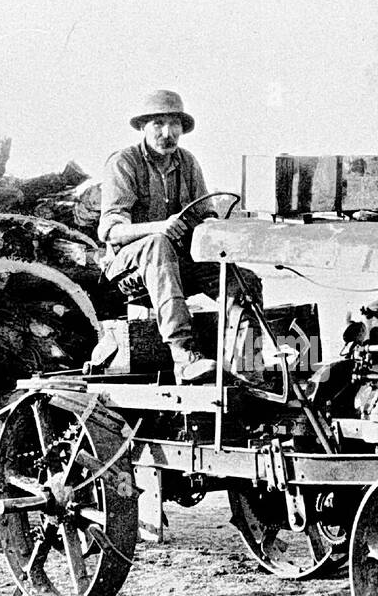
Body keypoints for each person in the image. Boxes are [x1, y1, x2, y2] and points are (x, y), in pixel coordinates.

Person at [98, 89, 263, 383]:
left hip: (176, 265)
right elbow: (111, 231)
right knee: (158, 245)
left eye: (174, 124)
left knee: (244, 281)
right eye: (158, 124)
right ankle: (185, 356)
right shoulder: (124, 163)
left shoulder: (188, 163)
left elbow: (206, 214)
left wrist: (220, 230)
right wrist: (158, 227)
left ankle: (248, 367)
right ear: (143, 127)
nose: (167, 132)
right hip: (128, 270)